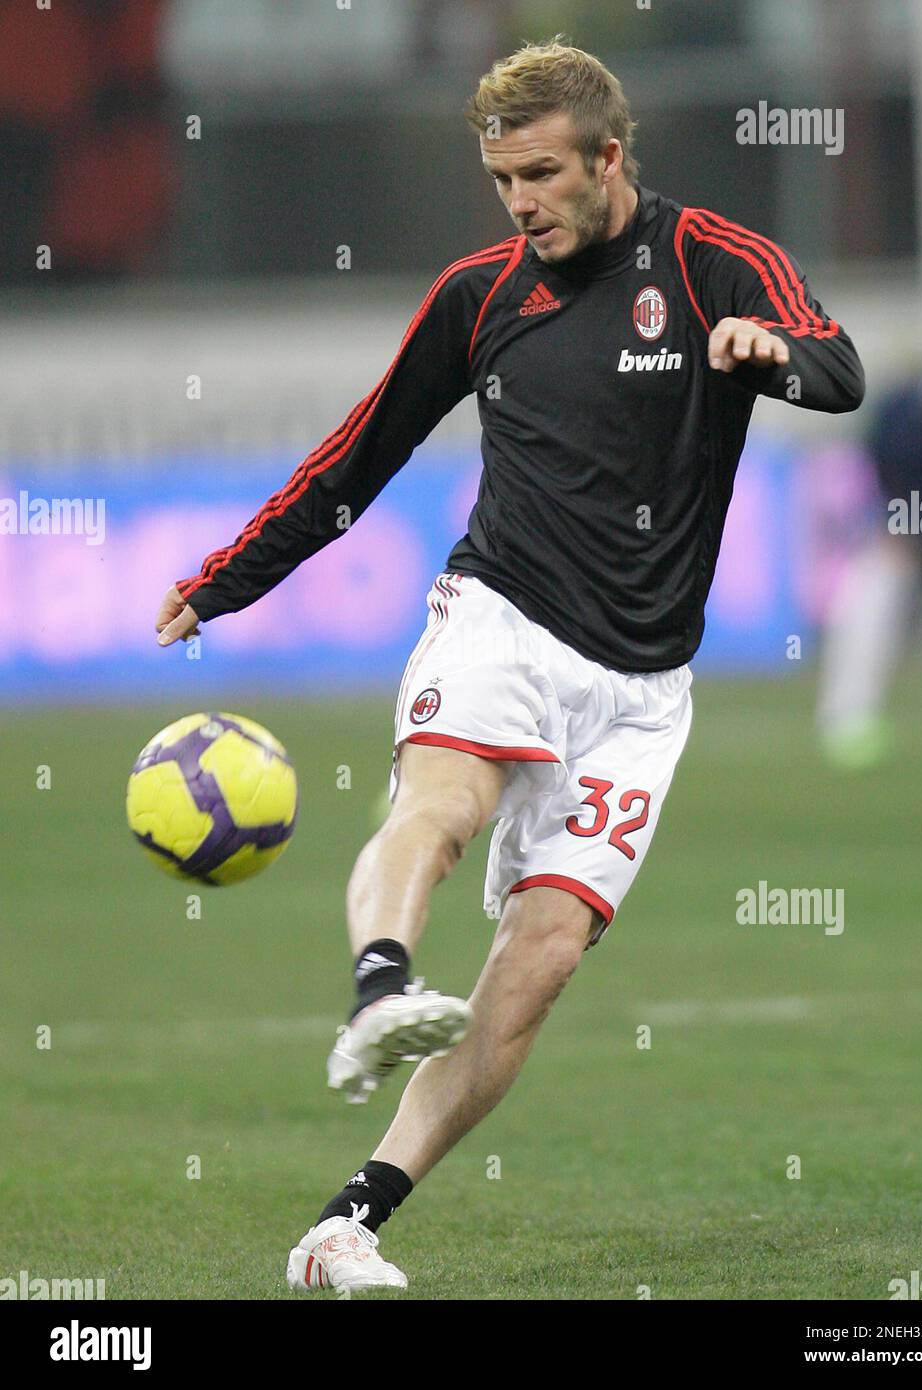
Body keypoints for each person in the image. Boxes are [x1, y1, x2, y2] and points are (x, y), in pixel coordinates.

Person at [155, 40, 865, 1293]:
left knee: (533, 970)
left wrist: (772, 359)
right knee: (442, 800)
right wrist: (224, 579)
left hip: (643, 693)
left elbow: (837, 362)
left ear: (608, 157)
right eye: (500, 181)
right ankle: (380, 980)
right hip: (503, 617)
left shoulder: (712, 262)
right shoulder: (475, 295)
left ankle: (344, 1226)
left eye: (540, 174)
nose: (520, 202)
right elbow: (354, 458)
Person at [816, 339, 922, 768]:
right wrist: (908, 520)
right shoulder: (921, 411)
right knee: (875, 582)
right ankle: (848, 718)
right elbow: (895, 455)